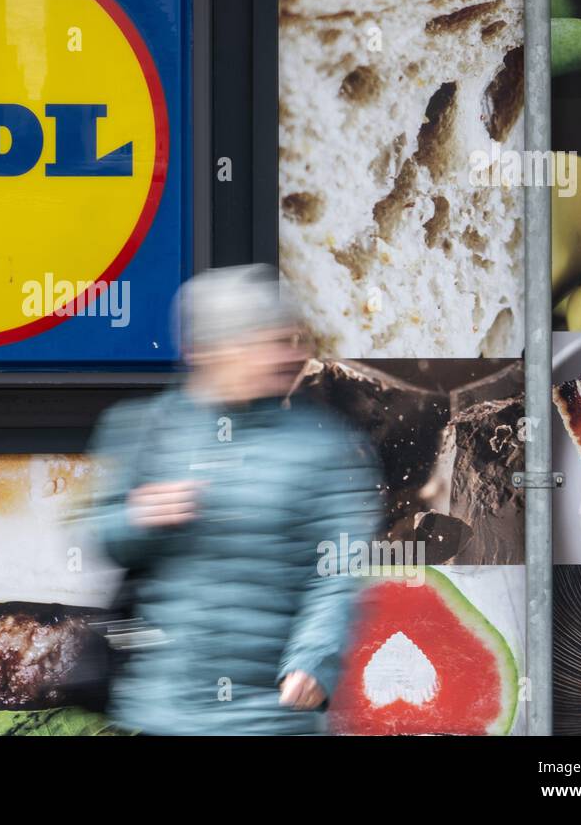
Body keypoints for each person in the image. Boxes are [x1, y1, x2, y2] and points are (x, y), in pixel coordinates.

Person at [84, 264, 383, 735]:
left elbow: (337, 573)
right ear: (205, 349)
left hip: (269, 715)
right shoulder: (147, 428)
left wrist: (314, 660)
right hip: (163, 707)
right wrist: (138, 518)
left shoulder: (326, 446)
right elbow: (100, 539)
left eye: (289, 339)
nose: (286, 355)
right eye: (262, 341)